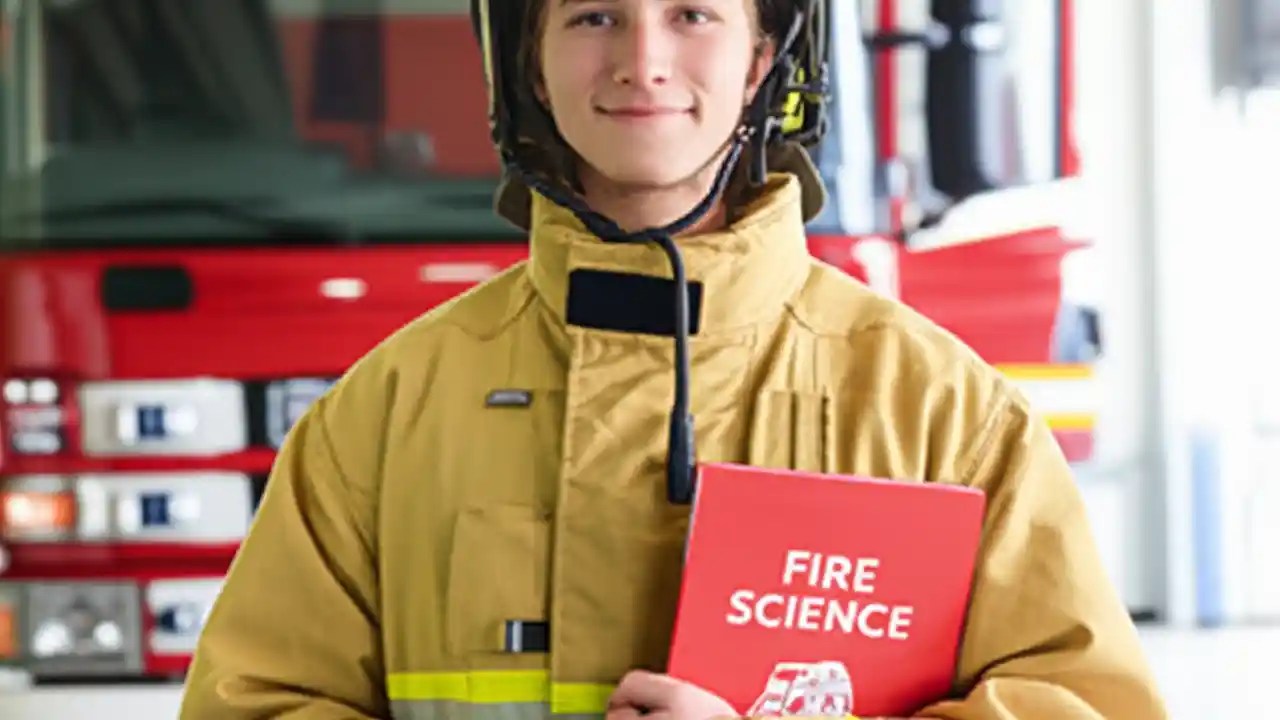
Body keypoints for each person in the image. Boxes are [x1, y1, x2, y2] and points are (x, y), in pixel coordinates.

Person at [179, 0, 1169, 718]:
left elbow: (1080, 704)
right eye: (592, 17)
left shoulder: (939, 410)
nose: (641, 61)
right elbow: (256, 703)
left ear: (759, 59)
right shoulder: (384, 413)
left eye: (691, 14)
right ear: (527, 60)